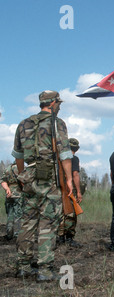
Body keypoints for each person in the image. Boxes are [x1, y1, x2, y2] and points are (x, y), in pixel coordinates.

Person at [12, 90, 73, 281]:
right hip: (48, 178)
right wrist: (69, 179)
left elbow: (18, 156)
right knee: (48, 222)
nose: (60, 107)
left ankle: (23, 265)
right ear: (53, 103)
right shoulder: (57, 123)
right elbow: (64, 154)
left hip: (29, 176)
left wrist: (22, 176)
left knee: (28, 221)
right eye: (59, 104)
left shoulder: (23, 124)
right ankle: (44, 270)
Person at [57, 138, 83, 247]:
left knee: (60, 212)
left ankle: (60, 237)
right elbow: (75, 175)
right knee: (71, 213)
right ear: (76, 149)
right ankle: (69, 237)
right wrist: (79, 192)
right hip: (70, 188)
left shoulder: (58, 159)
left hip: (58, 188)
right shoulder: (74, 159)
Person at [0, 161, 23, 241]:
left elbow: (2, 181)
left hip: (9, 194)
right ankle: (17, 235)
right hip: (18, 193)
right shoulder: (20, 168)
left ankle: (9, 234)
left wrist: (7, 189)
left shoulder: (8, 169)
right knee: (18, 215)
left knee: (10, 214)